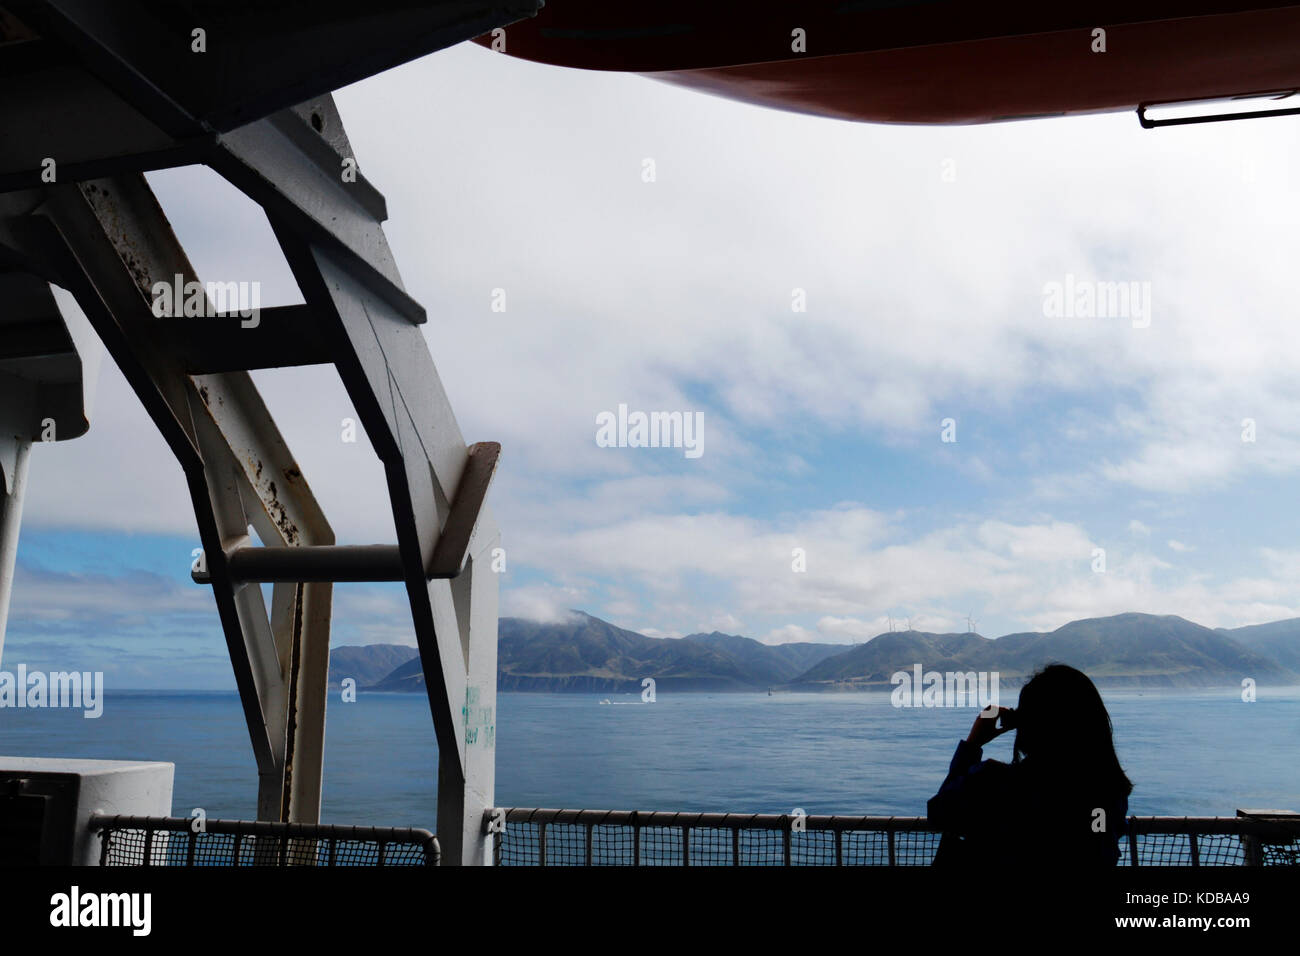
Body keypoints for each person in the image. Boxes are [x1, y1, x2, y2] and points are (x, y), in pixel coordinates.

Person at [927, 663, 1132, 866]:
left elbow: (939, 814)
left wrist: (972, 745)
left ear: (1026, 727)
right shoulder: (1109, 793)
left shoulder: (992, 782)